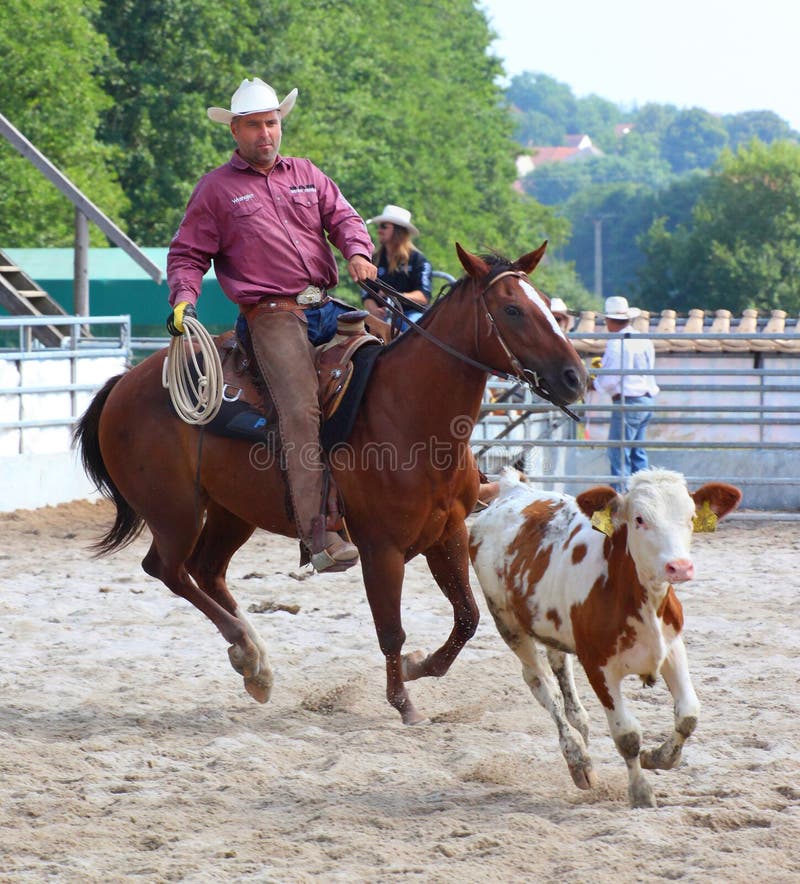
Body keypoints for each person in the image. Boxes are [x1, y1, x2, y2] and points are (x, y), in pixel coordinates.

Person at [166, 77, 377, 573]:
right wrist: (183, 299)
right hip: (272, 315)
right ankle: (319, 535)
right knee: (300, 411)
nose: (267, 133)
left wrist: (359, 253)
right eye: (256, 125)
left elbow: (345, 218)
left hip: (325, 304)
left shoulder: (307, 173)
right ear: (235, 131)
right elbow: (188, 253)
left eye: (272, 123)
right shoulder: (216, 190)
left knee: (395, 363)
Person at [592, 295, 659, 489]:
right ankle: (644, 494)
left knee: (618, 453)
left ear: (609, 321)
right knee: (637, 452)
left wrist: (594, 385)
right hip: (646, 399)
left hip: (628, 402)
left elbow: (612, 377)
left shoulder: (617, 343)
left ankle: (621, 498)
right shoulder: (642, 339)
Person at [361, 204, 432, 329]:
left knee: (412, 330)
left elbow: (423, 296)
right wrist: (375, 311)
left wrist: (394, 295)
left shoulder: (418, 260)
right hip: (380, 316)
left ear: (398, 231)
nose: (379, 230)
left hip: (409, 315)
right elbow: (367, 296)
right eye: (379, 226)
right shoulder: (373, 260)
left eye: (384, 226)